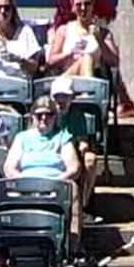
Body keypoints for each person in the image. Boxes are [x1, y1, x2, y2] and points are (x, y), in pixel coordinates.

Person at [45, 0, 134, 117]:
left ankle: (87, 93)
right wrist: (68, 54)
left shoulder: (103, 33)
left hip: (96, 76)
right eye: (78, 4)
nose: (83, 8)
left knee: (87, 58)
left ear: (92, 6)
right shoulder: (64, 31)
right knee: (85, 58)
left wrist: (99, 39)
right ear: (73, 8)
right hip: (67, 78)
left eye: (87, 4)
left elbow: (114, 61)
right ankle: (88, 96)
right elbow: (50, 61)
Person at [4, 96, 84, 233]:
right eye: (39, 115)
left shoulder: (62, 137)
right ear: (32, 117)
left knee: (73, 188)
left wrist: (54, 182)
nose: (44, 118)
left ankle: (73, 237)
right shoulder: (22, 138)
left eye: (49, 114)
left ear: (55, 117)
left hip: (55, 183)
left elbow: (74, 167)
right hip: (25, 184)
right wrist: (25, 182)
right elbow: (9, 167)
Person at [48, 76, 102, 224]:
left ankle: (83, 206)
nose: (61, 100)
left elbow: (83, 141)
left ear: (72, 98)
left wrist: (82, 148)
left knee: (90, 160)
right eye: (58, 96)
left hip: (71, 153)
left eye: (65, 96)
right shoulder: (45, 114)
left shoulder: (76, 115)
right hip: (50, 153)